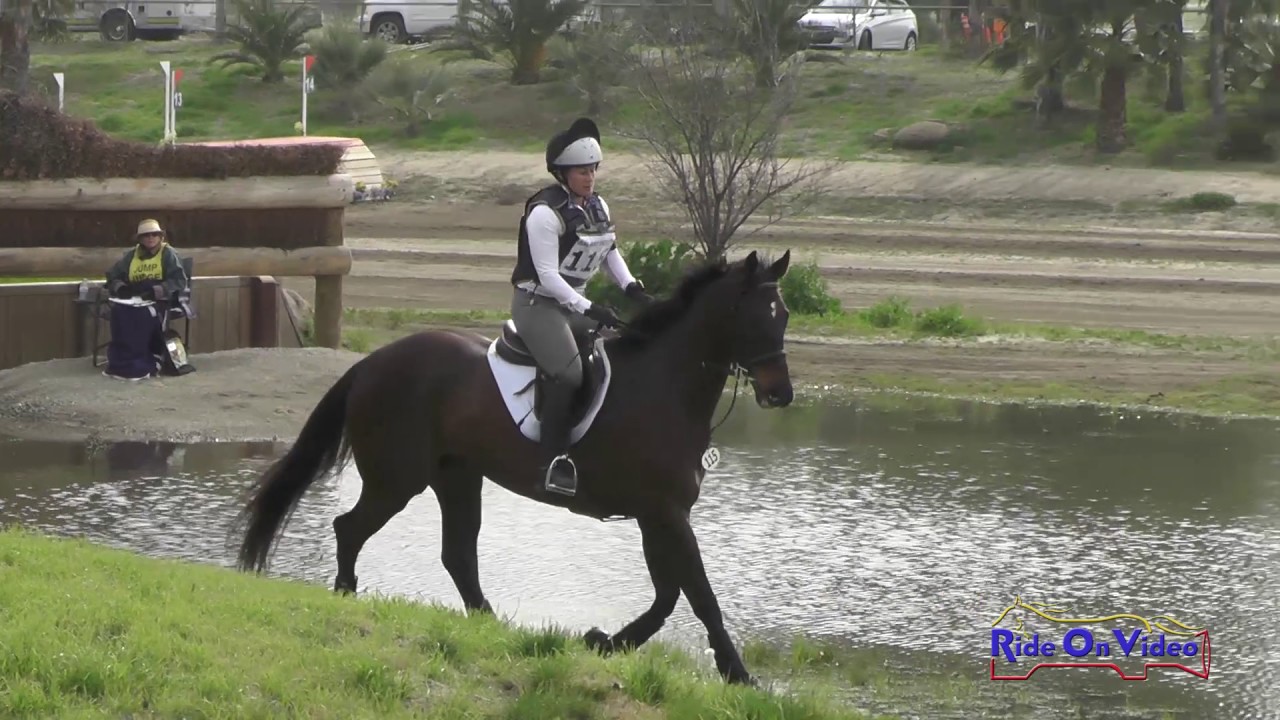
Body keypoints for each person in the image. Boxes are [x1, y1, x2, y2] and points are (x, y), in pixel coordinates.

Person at [509, 117, 654, 497]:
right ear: (562, 173)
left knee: (622, 359)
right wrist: (590, 308)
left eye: (593, 169)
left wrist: (632, 287)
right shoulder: (544, 213)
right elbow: (548, 277)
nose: (589, 177)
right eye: (581, 171)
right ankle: (551, 462)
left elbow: (610, 251)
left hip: (575, 304)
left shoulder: (598, 206)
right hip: (537, 306)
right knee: (571, 375)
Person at [102, 219, 189, 380]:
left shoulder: (169, 254)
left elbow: (179, 281)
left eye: (154, 234)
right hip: (134, 298)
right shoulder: (131, 256)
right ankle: (120, 362)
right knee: (119, 313)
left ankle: (144, 359)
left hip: (160, 300)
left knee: (141, 317)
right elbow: (112, 276)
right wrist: (121, 287)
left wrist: (157, 291)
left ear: (160, 237)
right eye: (146, 235)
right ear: (140, 239)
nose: (150, 238)